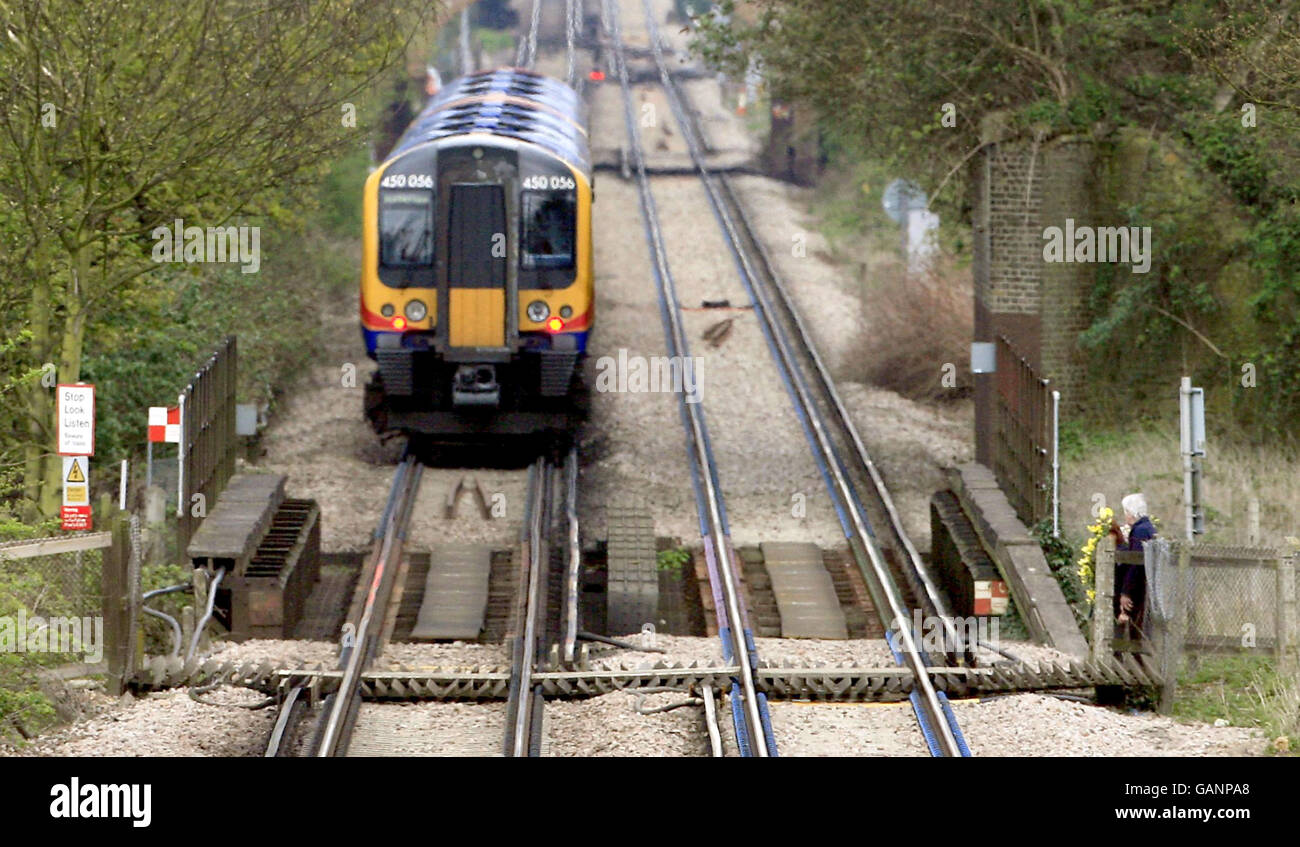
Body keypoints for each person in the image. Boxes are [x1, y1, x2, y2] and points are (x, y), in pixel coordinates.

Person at [1115, 493, 1156, 629]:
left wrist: (1126, 592)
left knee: (1135, 627)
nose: (1125, 515)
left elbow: (1135, 565)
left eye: (1126, 512)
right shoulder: (1148, 528)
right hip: (1146, 586)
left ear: (1132, 513)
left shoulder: (1139, 531)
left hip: (1139, 588)